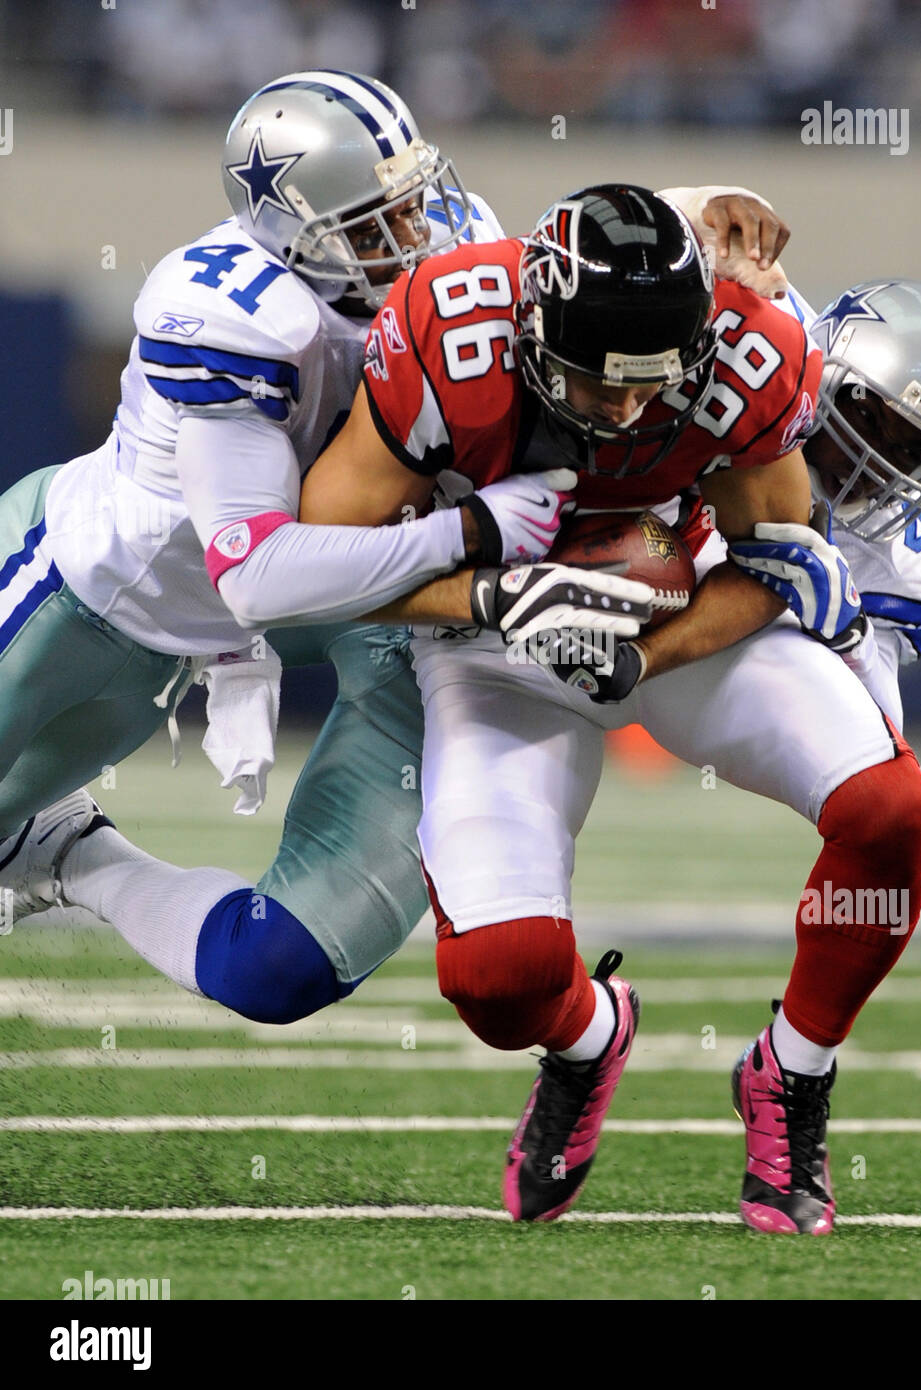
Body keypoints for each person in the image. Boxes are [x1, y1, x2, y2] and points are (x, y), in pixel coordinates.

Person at [299, 182, 921, 1234]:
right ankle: (590, 1034)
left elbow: (773, 556)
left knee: (890, 811)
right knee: (498, 981)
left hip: (671, 617)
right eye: (600, 386)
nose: (628, 413)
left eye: (655, 387)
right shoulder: (446, 330)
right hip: (491, 642)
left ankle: (792, 1070)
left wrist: (643, 658)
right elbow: (320, 558)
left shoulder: (748, 344)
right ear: (535, 323)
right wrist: (498, 594)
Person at [0, 71, 652, 1023]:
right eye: (370, 227)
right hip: (91, 596)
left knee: (282, 970)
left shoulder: (462, 250)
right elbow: (260, 576)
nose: (412, 241)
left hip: (351, 600)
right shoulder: (238, 315)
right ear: (284, 233)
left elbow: (611, 271)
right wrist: (467, 535)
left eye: (412, 205)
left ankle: (61, 852)